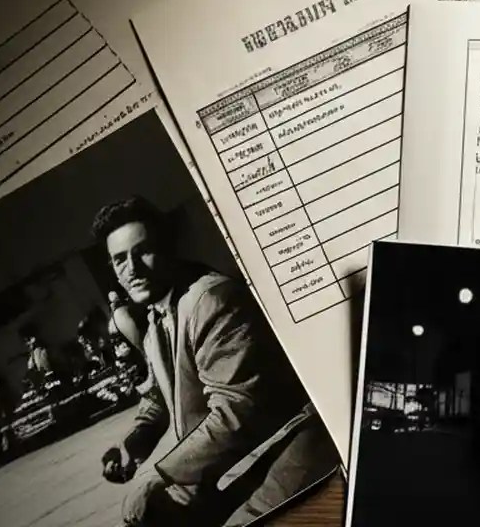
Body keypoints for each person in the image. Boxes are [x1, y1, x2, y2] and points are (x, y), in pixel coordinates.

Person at [91, 195, 338, 526]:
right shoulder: (155, 317)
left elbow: (237, 411)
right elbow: (158, 397)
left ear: (167, 247)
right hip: (224, 465)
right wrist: (135, 442)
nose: (132, 269)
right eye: (120, 259)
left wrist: (161, 476)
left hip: (280, 452)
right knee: (145, 515)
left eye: (143, 251)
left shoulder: (211, 300)